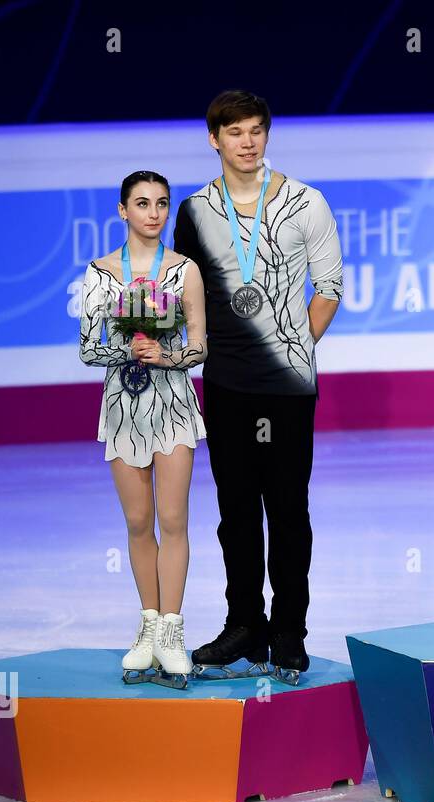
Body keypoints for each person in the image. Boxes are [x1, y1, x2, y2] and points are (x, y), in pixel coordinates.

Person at [172, 90, 344, 685]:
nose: (247, 142)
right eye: (235, 132)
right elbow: (185, 293)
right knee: (235, 512)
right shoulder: (194, 211)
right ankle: (244, 625)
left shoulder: (305, 202)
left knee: (289, 512)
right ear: (214, 139)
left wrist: (296, 346)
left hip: (289, 389)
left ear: (267, 136)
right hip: (224, 384)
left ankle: (288, 633)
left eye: (256, 131)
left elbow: (330, 287)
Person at [79, 170, 207, 689]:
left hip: (173, 404)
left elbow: (200, 345)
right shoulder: (100, 273)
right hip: (122, 407)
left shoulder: (184, 271)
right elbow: (89, 347)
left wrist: (168, 354)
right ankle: (149, 626)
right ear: (122, 211)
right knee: (138, 522)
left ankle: (173, 631)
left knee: (173, 519)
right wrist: (127, 350)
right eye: (142, 203)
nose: (153, 213)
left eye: (161, 204)